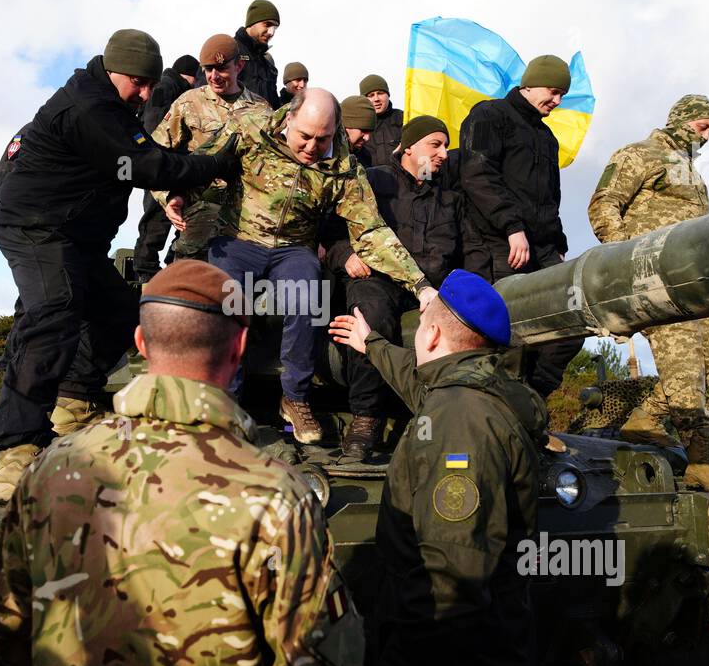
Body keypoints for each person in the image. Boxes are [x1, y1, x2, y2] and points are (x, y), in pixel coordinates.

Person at [0, 260, 371, 666]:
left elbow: (8, 630)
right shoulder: (275, 495)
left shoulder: (50, 470)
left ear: (141, 344)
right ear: (241, 348)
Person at [0, 29, 236, 500]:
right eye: (138, 83)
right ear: (113, 68)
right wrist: (213, 165)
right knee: (52, 317)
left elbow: (143, 158)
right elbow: (146, 165)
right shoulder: (89, 108)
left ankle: (73, 400)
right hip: (39, 231)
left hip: (74, 239)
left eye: (149, 84)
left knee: (121, 311)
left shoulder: (107, 104)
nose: (145, 94)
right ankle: (13, 451)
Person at [329, 269, 545, 666]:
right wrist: (373, 345)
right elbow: (422, 381)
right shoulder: (477, 394)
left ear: (428, 334)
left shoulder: (459, 421)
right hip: (491, 660)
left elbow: (449, 585)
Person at [159, 88, 436, 444]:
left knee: (310, 296)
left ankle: (295, 397)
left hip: (294, 248)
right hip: (239, 238)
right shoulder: (249, 127)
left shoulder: (344, 168)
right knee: (226, 300)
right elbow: (204, 165)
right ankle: (224, 400)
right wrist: (177, 194)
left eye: (322, 139)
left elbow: (371, 230)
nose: (311, 147)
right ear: (288, 119)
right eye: (304, 136)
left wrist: (420, 285)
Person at [587, 94, 709, 488]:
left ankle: (646, 417)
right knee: (684, 373)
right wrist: (625, 258)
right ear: (682, 119)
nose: (708, 134)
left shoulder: (692, 173)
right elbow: (603, 203)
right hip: (656, 280)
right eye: (704, 124)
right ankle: (703, 462)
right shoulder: (639, 153)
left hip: (698, 282)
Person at [324, 116, 483, 460]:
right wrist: (345, 255)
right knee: (370, 319)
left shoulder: (451, 201)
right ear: (409, 146)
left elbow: (470, 253)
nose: (443, 153)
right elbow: (332, 232)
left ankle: (442, 416)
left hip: (432, 290)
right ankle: (366, 419)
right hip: (377, 279)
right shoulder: (373, 181)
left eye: (446, 146)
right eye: (435, 144)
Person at [458, 53, 582, 400]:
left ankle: (529, 400)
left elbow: (550, 198)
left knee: (572, 324)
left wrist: (557, 242)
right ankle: (498, 407)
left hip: (543, 247)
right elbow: (477, 174)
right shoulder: (489, 116)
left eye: (562, 96)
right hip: (497, 242)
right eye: (553, 92)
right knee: (507, 333)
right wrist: (512, 227)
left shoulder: (547, 138)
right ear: (530, 84)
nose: (556, 102)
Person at [149, 34, 272, 263]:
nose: (213, 76)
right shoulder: (188, 102)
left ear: (239, 65)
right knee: (187, 282)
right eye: (207, 69)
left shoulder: (262, 109)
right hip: (200, 212)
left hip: (248, 221)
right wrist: (168, 197)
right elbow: (155, 156)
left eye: (221, 68)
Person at [132, 54, 203, 282]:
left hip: (169, 164)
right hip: (160, 164)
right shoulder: (167, 88)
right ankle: (145, 268)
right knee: (156, 217)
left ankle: (163, 263)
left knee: (174, 218)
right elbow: (154, 125)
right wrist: (160, 159)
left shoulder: (170, 87)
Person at [229, 0, 281, 108]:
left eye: (275, 27)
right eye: (267, 24)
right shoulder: (229, 50)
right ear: (252, 22)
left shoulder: (267, 65)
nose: (271, 32)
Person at [359, 74, 404, 167]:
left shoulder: (403, 119)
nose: (376, 99)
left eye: (380, 93)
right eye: (371, 95)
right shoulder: (357, 125)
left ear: (388, 95)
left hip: (400, 179)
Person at [340, 94, 376, 168]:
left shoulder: (364, 156)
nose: (367, 138)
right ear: (346, 125)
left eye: (369, 131)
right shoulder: (325, 153)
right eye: (363, 130)